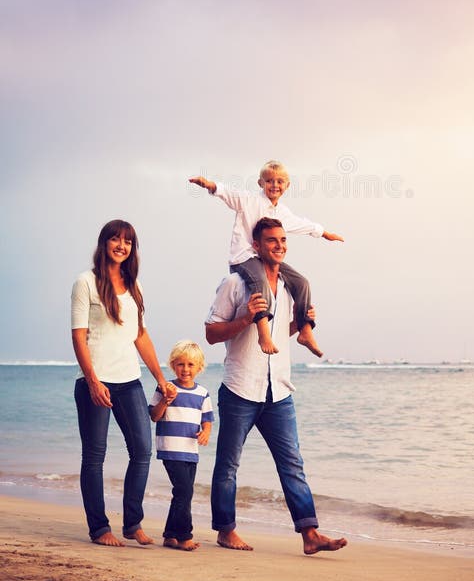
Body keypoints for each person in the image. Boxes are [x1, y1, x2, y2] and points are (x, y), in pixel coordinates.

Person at [205, 216, 348, 555]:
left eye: (283, 240)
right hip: (240, 387)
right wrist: (244, 319)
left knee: (292, 464)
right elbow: (211, 333)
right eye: (272, 240)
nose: (280, 245)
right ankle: (226, 530)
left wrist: (302, 322)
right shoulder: (235, 284)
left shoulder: (289, 286)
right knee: (228, 464)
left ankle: (310, 534)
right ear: (256, 246)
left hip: (278, 389)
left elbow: (281, 333)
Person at [71, 219, 170, 547]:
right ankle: (99, 528)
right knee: (94, 456)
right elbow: (79, 336)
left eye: (127, 241)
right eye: (115, 239)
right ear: (104, 244)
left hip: (129, 381)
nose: (121, 245)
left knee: (143, 450)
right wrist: (92, 380)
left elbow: (140, 336)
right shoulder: (85, 282)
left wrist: (159, 376)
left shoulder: (133, 286)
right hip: (95, 382)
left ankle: (132, 523)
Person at [190, 159, 343, 358]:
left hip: (267, 259)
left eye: (280, 182)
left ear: (287, 186)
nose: (275, 185)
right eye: (269, 181)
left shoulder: (282, 213)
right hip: (244, 258)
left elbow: (301, 224)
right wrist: (209, 184)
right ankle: (263, 332)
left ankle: (305, 331)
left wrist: (324, 233)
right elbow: (228, 193)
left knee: (302, 282)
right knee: (261, 281)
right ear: (260, 183)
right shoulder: (248, 201)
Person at [149, 340, 214, 551]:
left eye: (190, 365)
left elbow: (207, 419)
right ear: (173, 365)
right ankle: (185, 535)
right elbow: (154, 416)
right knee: (185, 491)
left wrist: (205, 433)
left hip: (190, 451)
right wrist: (166, 400)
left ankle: (170, 535)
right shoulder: (165, 388)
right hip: (170, 448)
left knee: (181, 492)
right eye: (180, 364)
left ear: (199, 367)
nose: (185, 369)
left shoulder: (202, 393)